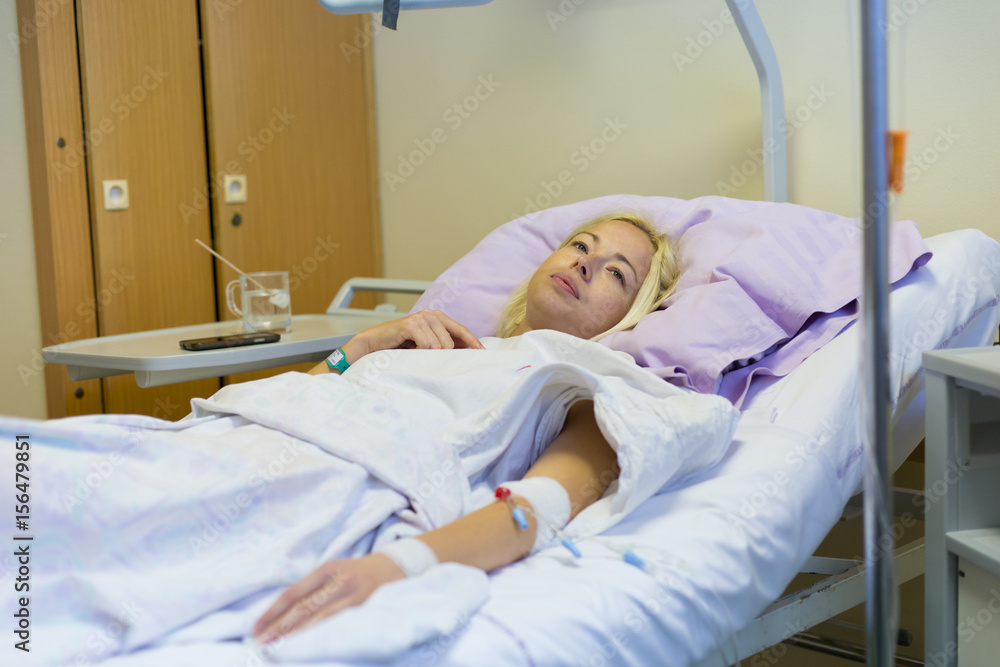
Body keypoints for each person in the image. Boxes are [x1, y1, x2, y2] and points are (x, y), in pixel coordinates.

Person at [253, 213, 680, 644]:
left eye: (616, 272)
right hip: (254, 450)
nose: (585, 264)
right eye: (582, 246)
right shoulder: (436, 344)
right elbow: (284, 409)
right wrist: (359, 346)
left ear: (633, 315)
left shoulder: (584, 378)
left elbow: (537, 509)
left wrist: (392, 566)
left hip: (319, 495)